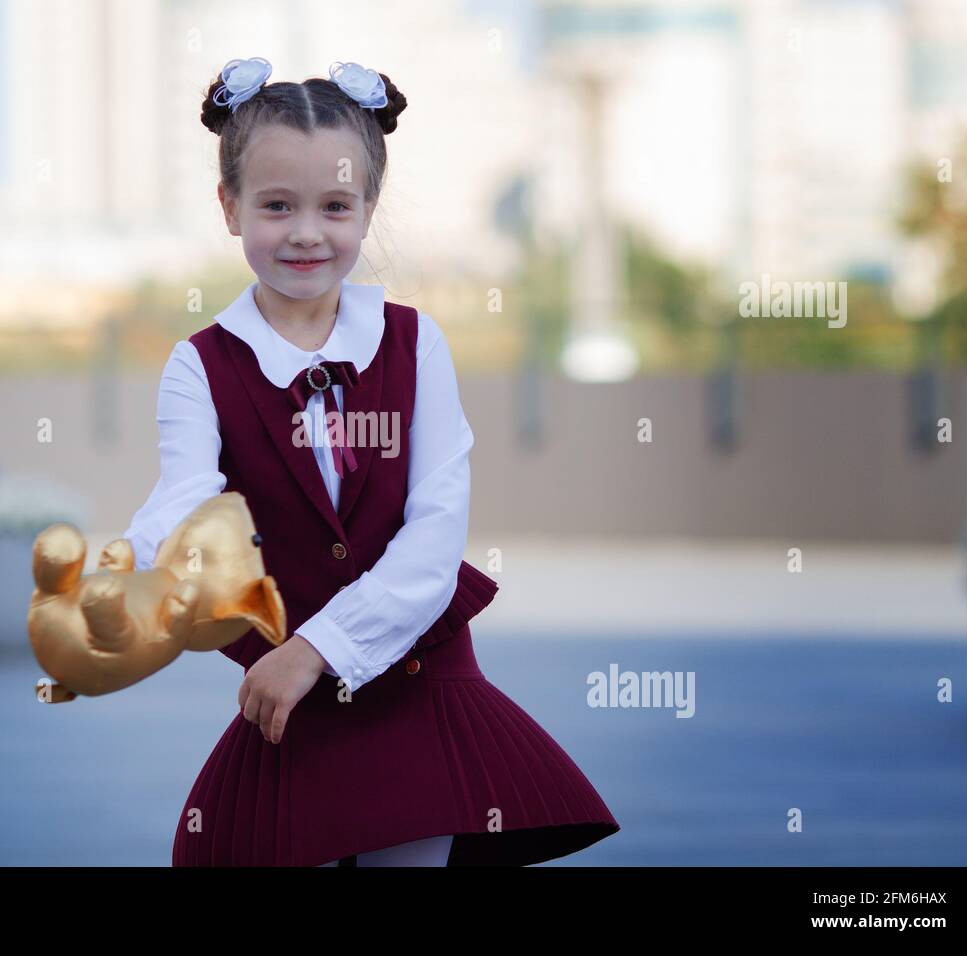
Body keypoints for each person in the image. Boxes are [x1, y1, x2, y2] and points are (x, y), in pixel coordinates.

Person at [123, 58, 620, 866]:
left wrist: (314, 652)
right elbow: (184, 501)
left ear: (368, 208)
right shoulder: (201, 364)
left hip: (411, 686)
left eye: (335, 206)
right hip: (291, 705)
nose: (306, 232)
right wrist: (121, 578)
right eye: (276, 205)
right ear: (229, 206)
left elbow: (432, 541)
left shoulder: (417, 342)